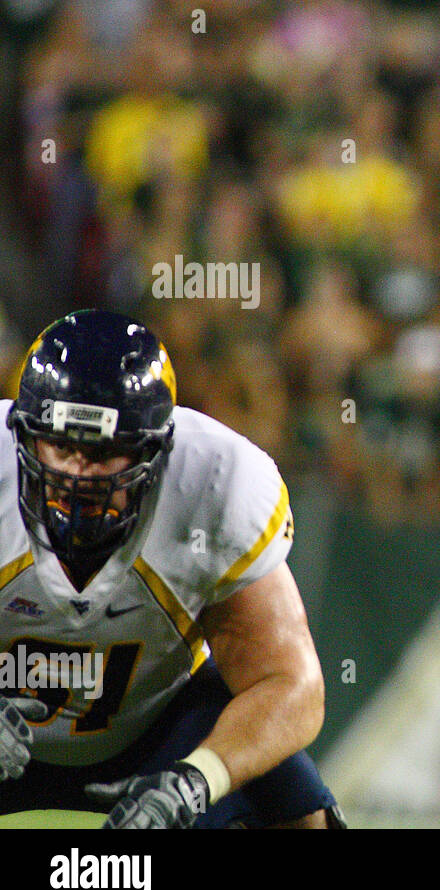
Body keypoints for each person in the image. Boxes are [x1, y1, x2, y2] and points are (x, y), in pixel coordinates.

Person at [0, 310, 342, 828]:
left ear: (157, 451)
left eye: (104, 453)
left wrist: (196, 780)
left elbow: (290, 684)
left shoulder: (215, 483)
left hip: (154, 725)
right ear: (24, 438)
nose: (77, 473)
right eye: (62, 445)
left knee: (298, 811)